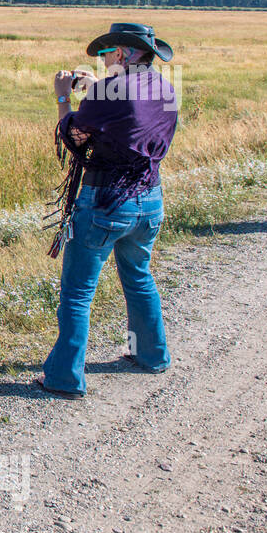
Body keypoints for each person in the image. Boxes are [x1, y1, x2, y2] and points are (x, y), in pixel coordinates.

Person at [37, 23, 178, 399]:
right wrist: (97, 85)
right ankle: (151, 355)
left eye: (106, 54)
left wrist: (64, 97)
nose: (102, 60)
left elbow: (73, 137)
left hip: (105, 201)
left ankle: (65, 378)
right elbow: (129, 118)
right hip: (149, 199)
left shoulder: (108, 91)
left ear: (121, 54)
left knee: (78, 291)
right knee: (138, 277)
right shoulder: (165, 87)